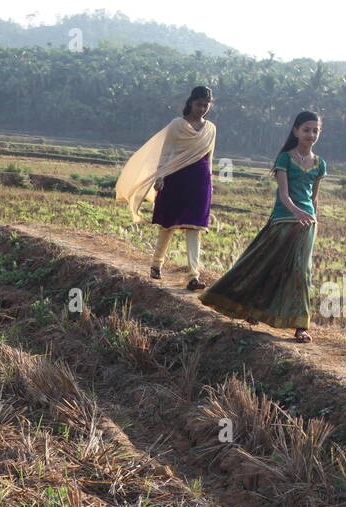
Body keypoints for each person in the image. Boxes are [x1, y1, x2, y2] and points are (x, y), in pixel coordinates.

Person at [200, 111, 325, 343]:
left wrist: (312, 218)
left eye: (315, 130)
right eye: (306, 129)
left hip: (307, 225)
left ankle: (299, 326)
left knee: (301, 272)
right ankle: (249, 306)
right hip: (283, 220)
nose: (311, 134)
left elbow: (314, 198)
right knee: (264, 264)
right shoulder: (285, 159)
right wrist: (297, 212)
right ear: (296, 131)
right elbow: (284, 195)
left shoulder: (320, 164)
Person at [115, 85, 216, 292]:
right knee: (167, 224)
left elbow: (209, 157)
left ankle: (193, 276)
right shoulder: (176, 125)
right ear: (190, 103)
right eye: (198, 104)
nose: (202, 109)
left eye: (205, 105)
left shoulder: (211, 129)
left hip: (199, 180)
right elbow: (166, 152)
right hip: (176, 178)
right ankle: (156, 265)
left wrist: (210, 183)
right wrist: (160, 176)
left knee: (195, 228)